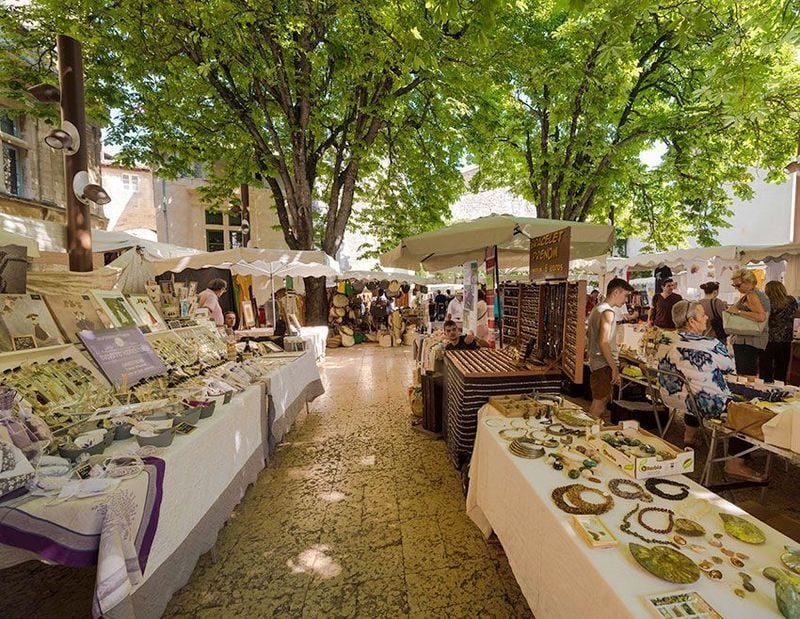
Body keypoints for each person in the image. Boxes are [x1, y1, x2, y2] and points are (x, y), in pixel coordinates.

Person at [656, 299, 765, 481]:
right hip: (706, 404)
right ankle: (735, 462)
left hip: (672, 397)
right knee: (745, 409)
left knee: (696, 386)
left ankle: (689, 435)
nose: (706, 317)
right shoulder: (710, 344)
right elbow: (730, 367)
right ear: (691, 321)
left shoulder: (665, 338)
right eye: (702, 315)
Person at [587, 277, 634, 420]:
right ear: (616, 292)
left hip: (597, 362)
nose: (626, 300)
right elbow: (603, 342)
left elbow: (590, 335)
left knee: (599, 402)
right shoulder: (608, 312)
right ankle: (585, 432)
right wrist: (614, 367)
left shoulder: (597, 309)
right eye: (625, 295)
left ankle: (590, 432)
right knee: (599, 405)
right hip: (604, 364)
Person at [726, 268, 769, 376]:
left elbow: (761, 316)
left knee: (746, 375)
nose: (736, 288)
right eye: (734, 285)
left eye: (738, 285)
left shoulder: (752, 295)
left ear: (748, 282)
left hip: (748, 340)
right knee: (749, 373)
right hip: (751, 339)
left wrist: (738, 312)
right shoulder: (758, 293)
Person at [760, 281, 797, 383]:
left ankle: (766, 389)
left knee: (766, 368)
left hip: (768, 339)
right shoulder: (791, 301)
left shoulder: (766, 303)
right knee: (782, 368)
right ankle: (781, 389)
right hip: (786, 339)